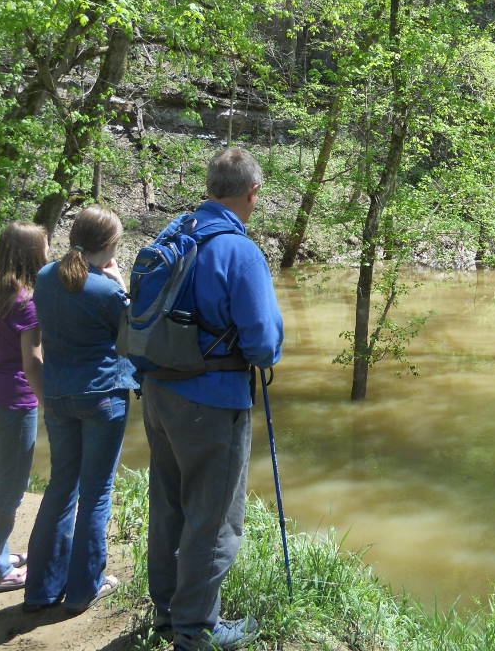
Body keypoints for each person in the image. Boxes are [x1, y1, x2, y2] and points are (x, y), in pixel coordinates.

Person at [142, 147, 283, 651]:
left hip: (157, 391)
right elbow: (263, 342)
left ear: (210, 186)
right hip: (212, 400)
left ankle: (166, 613)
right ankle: (197, 629)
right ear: (253, 192)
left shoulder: (175, 233)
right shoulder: (239, 250)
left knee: (169, 502)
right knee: (215, 513)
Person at [23, 205, 137, 614]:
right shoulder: (106, 290)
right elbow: (130, 336)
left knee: (60, 488)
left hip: (57, 396)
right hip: (102, 396)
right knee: (96, 495)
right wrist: (121, 283)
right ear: (109, 247)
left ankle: (40, 590)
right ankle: (84, 589)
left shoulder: (44, 277)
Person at [0, 222, 48, 594]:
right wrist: (47, 401)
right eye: (45, 246)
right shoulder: (27, 300)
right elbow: (32, 362)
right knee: (11, 488)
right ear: (34, 254)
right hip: (14, 400)